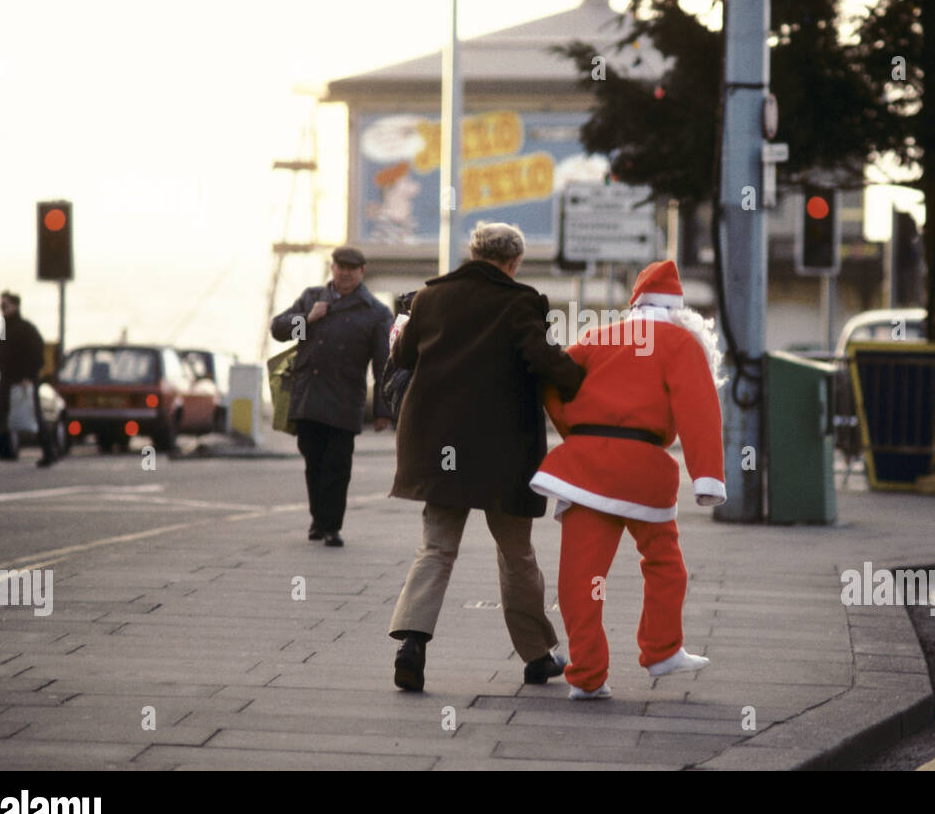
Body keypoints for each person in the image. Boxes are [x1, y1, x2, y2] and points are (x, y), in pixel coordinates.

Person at [387, 221, 586, 692]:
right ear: (513, 262)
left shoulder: (429, 297)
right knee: (516, 553)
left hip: (439, 447)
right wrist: (579, 372)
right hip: (503, 452)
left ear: (474, 253)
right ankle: (538, 657)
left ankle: (411, 644)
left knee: (436, 548)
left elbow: (404, 357)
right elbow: (543, 360)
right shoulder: (519, 301)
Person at [530, 260, 726, 699]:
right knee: (664, 564)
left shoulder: (599, 336)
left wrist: (575, 432)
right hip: (642, 469)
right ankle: (661, 649)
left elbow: (554, 382)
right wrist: (708, 478)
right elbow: (699, 410)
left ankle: (587, 675)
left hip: (583, 468)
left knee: (582, 577)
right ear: (677, 308)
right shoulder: (680, 341)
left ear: (634, 304)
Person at [270, 245, 393, 548]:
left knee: (337, 466)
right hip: (308, 397)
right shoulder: (312, 298)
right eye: (341, 267)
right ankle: (318, 520)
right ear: (332, 268)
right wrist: (307, 318)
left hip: (345, 401)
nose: (346, 273)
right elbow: (278, 329)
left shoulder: (376, 312)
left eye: (352, 269)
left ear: (362, 272)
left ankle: (331, 527)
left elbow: (383, 364)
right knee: (314, 461)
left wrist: (383, 409)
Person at [0, 292, 58, 468]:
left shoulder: (26, 329)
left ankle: (49, 453)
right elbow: (1, 351)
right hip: (7, 381)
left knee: (35, 417)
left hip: (24, 382)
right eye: (2, 306)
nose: (3, 309)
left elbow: (37, 355)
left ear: (15, 306)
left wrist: (28, 377)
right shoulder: (5, 328)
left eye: (6, 306)